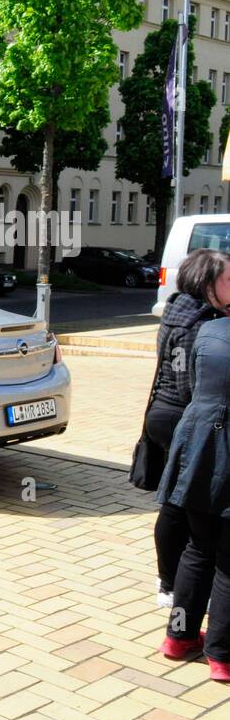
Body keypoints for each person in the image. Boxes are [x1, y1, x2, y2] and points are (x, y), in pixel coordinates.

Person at [155, 262, 230, 682]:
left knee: (199, 549)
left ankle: (179, 636)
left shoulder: (208, 331)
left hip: (198, 448)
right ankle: (221, 654)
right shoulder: (209, 328)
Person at [145, 250, 227, 607]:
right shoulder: (201, 324)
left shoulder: (178, 307)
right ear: (207, 284)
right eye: (227, 279)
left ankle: (171, 582)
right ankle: (174, 585)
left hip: (163, 415)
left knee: (176, 504)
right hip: (182, 418)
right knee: (184, 507)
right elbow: (191, 387)